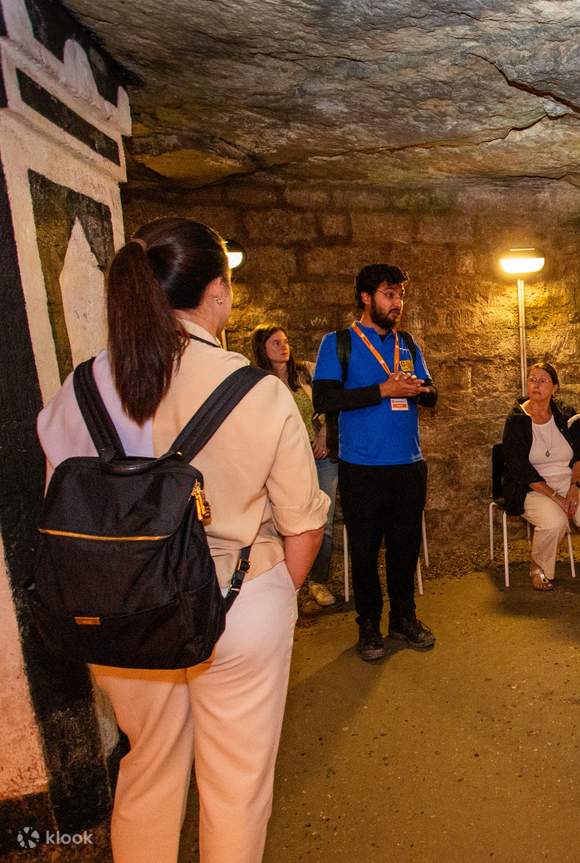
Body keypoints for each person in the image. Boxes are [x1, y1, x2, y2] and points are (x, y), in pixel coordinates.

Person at [36, 218, 328, 862]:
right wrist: (272, 590)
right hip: (234, 602)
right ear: (218, 292)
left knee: (147, 767)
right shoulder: (258, 393)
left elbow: (62, 504)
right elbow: (303, 522)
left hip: (118, 610)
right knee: (236, 786)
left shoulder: (77, 390)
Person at [312, 264, 438, 662]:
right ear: (366, 297)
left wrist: (420, 389)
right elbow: (325, 399)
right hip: (362, 467)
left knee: (404, 548)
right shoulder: (339, 343)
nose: (397, 302)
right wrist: (383, 389)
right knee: (365, 552)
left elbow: (432, 394)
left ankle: (403, 618)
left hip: (408, 464)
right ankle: (368, 626)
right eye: (388, 294)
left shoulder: (408, 344)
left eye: (400, 295)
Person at [252, 323, 338, 609]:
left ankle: (317, 581)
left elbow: (328, 404)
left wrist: (325, 433)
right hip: (285, 463)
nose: (283, 347)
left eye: (285, 341)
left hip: (320, 456)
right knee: (285, 523)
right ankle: (288, 585)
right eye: (275, 343)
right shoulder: (259, 383)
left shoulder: (306, 373)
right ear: (262, 349)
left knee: (322, 520)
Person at [502, 362, 580, 590]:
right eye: (532, 379)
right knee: (554, 522)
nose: (536, 384)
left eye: (543, 380)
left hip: (569, 478)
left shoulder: (566, 414)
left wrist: (575, 487)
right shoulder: (516, 420)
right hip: (531, 486)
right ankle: (538, 567)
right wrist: (556, 497)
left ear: (555, 388)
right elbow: (519, 468)